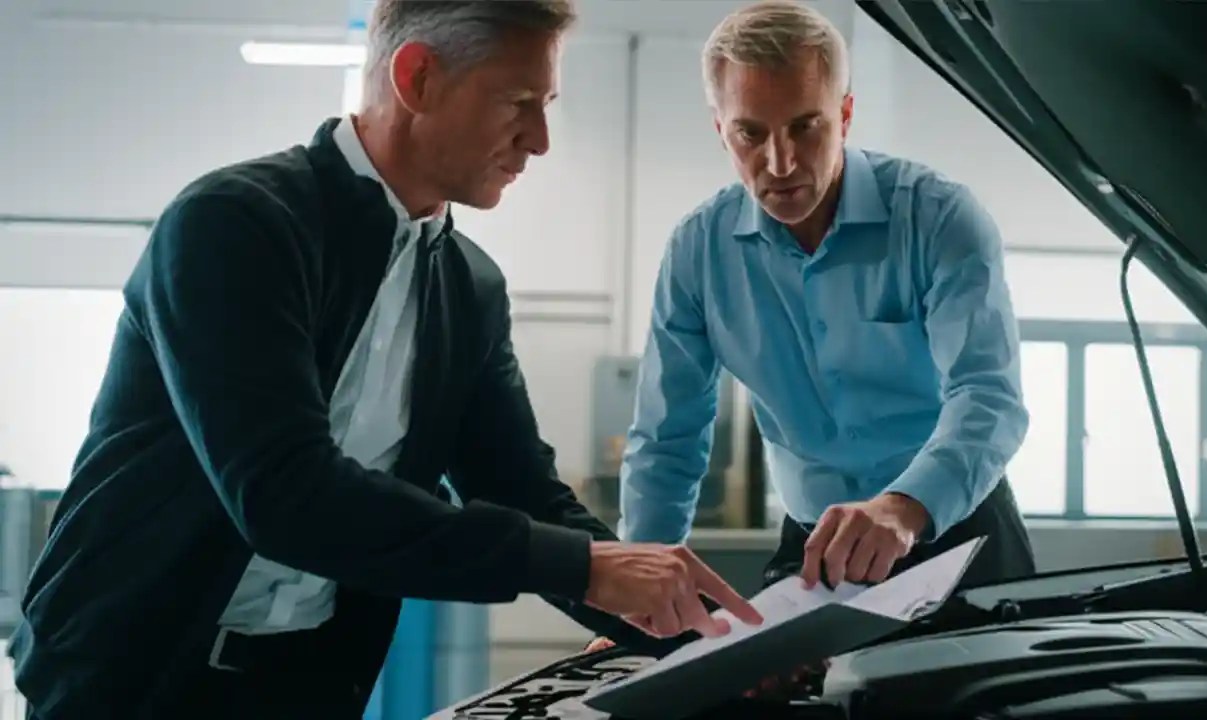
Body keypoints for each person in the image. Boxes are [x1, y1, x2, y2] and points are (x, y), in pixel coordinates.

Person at [6, 1, 763, 718]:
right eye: (517, 102)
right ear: (417, 79)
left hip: (304, 686)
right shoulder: (235, 225)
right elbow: (285, 493)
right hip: (127, 679)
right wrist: (582, 567)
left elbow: (522, 492)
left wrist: (712, 639)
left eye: (547, 106)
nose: (539, 140)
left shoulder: (468, 284)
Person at [617, 0, 1037, 620]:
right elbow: (667, 438)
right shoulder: (696, 252)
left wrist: (901, 507)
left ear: (844, 113)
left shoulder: (939, 218)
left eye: (805, 127)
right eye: (751, 134)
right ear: (720, 130)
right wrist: (639, 590)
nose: (780, 163)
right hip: (814, 551)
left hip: (958, 530)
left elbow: (988, 396)